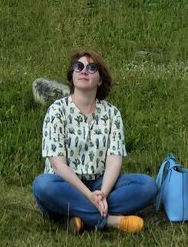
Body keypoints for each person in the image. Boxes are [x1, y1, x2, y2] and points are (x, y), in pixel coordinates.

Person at [32, 50, 157, 234]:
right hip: (65, 186)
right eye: (78, 66)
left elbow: (114, 160)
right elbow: (58, 165)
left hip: (99, 184)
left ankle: (80, 216)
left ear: (99, 79)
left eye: (91, 68)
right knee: (42, 185)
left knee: (147, 186)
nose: (84, 71)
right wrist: (88, 195)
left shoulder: (111, 114)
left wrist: (102, 193)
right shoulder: (56, 111)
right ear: (72, 76)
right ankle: (111, 221)